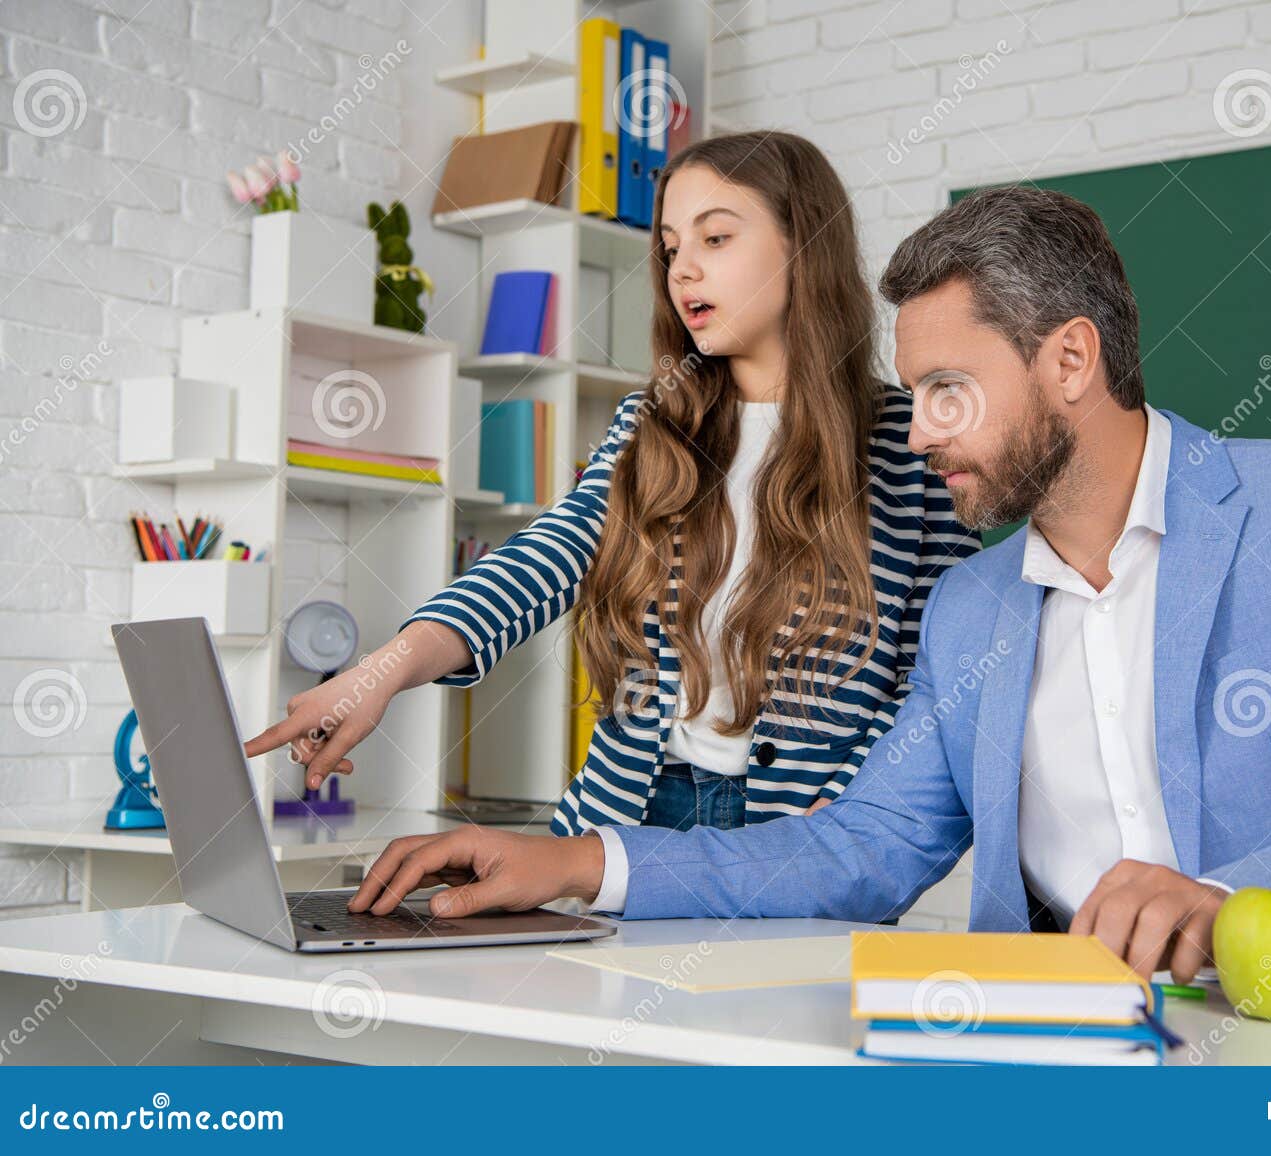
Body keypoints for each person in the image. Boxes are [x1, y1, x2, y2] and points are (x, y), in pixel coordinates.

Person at [344, 185, 1271, 982]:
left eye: (948, 390)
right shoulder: (975, 608)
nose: (916, 434)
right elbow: (860, 846)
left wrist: (1229, 898)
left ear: (1069, 360)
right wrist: (580, 861)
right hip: (1050, 1058)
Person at [244, 131, 978, 835]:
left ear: (804, 244)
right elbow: (546, 558)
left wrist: (861, 806)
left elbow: (935, 672)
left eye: (715, 239)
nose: (682, 269)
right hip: (624, 818)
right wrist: (384, 670)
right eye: (669, 249)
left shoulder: (911, 443)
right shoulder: (650, 426)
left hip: (808, 834)